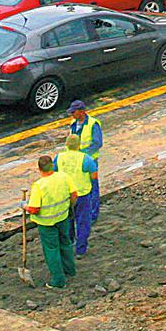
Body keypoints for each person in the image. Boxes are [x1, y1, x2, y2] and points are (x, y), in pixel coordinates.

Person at [24, 155, 78, 288]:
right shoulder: (64, 177)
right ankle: (70, 270)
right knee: (65, 243)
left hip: (46, 223)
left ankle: (58, 281)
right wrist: (69, 207)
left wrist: (24, 206)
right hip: (62, 217)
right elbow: (74, 194)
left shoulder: (39, 186)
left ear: (39, 169)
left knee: (51, 249)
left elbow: (34, 209)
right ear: (52, 166)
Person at [64, 100, 103, 255]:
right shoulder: (74, 124)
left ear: (81, 111)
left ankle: (93, 213)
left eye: (74, 112)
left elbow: (97, 143)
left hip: (89, 160)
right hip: (77, 161)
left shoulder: (93, 124)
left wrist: (82, 155)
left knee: (92, 187)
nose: (72, 115)